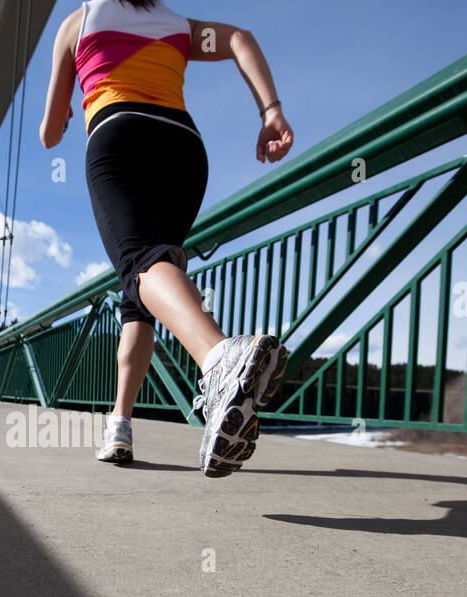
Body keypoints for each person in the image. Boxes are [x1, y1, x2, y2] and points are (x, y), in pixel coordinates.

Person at [39, 0, 294, 477]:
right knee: (145, 286)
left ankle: (218, 358)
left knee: (138, 264)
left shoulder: (77, 22)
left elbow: (50, 134)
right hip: (183, 147)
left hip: (119, 134)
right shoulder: (175, 23)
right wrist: (270, 111)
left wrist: (67, 108)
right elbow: (240, 37)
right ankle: (120, 423)